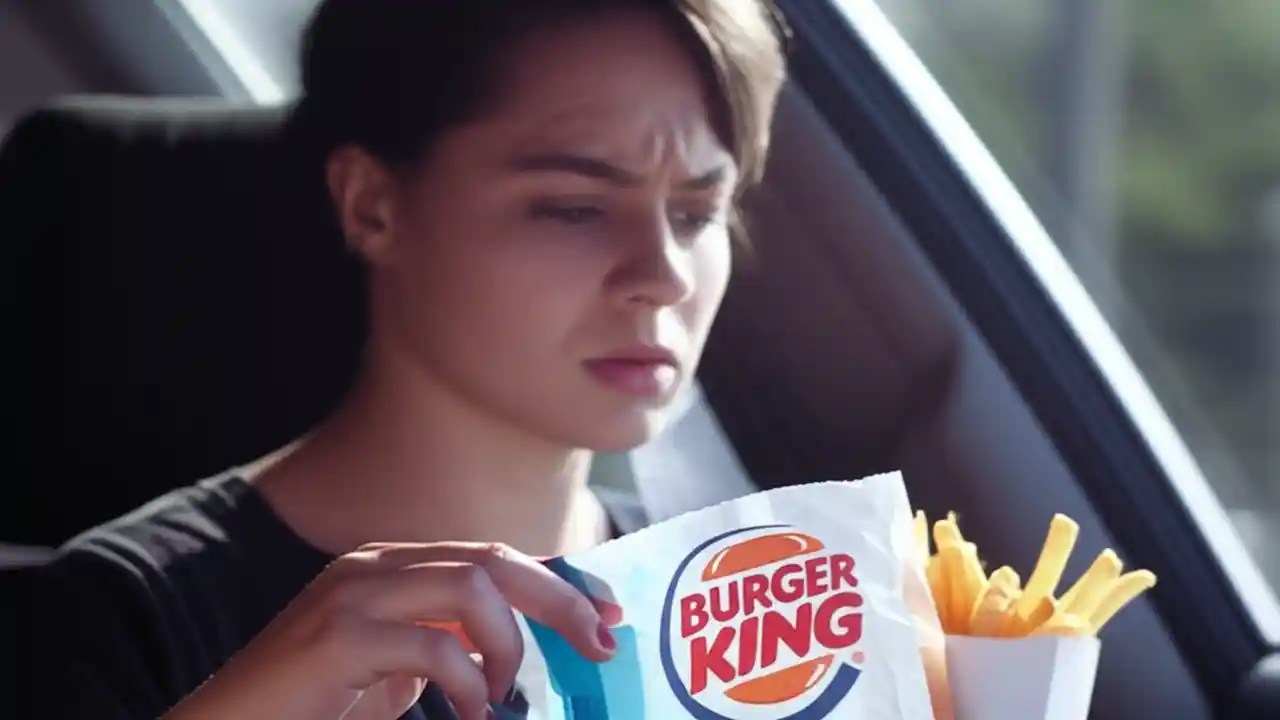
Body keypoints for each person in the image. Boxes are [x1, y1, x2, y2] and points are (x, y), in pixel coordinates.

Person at [12, 1, 785, 718]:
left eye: (696, 214)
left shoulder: (737, 604)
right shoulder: (114, 626)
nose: (665, 275)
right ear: (371, 205)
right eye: (573, 208)